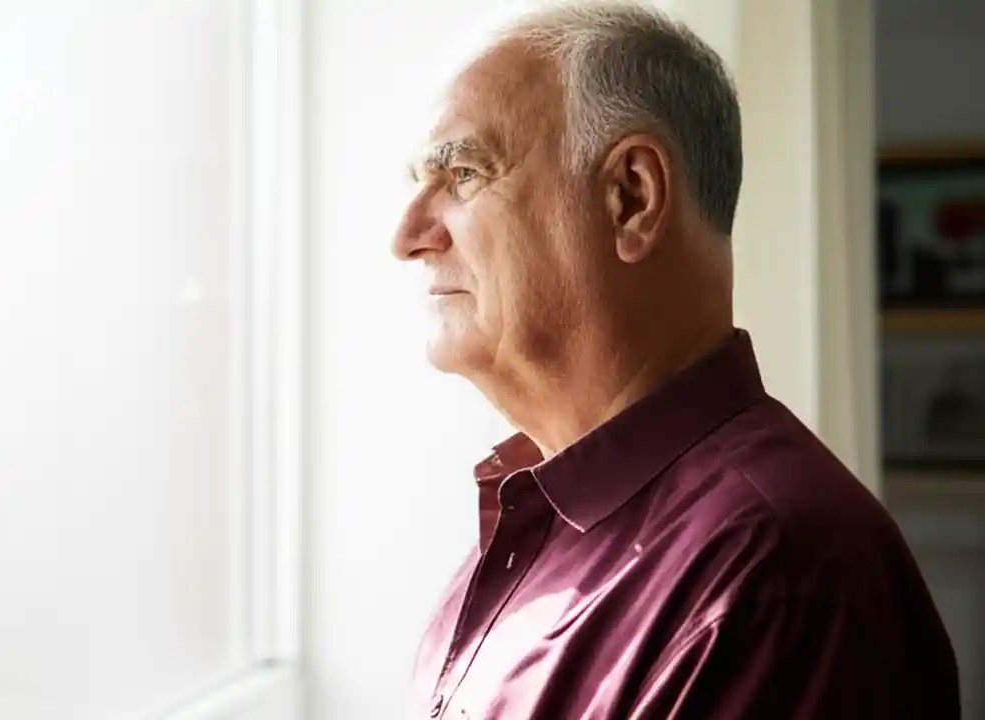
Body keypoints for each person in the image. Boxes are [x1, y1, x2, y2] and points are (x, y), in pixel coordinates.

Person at [391, 3, 960, 718]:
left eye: (465, 172)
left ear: (632, 197)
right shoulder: (534, 526)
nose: (406, 235)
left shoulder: (774, 577)